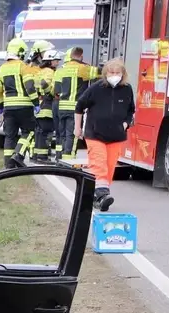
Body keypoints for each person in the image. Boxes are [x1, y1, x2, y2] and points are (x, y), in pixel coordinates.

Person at [75, 58, 135, 212]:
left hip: (116, 135)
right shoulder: (96, 88)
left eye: (117, 72)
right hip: (95, 134)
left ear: (123, 74)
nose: (114, 75)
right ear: (105, 73)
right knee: (99, 163)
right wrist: (77, 128)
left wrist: (126, 123)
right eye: (111, 72)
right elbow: (79, 106)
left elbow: (131, 110)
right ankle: (102, 194)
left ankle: (99, 196)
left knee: (109, 167)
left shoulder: (127, 89)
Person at [0, 38, 38, 169]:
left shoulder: (2, 68)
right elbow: (29, 86)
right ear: (20, 52)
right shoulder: (23, 66)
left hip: (8, 108)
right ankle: (18, 155)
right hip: (24, 106)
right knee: (30, 132)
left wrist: (0, 108)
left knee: (10, 136)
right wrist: (36, 103)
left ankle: (9, 165)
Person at [53, 46, 99, 161]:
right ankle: (68, 160)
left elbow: (56, 91)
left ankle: (59, 158)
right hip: (75, 108)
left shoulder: (60, 70)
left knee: (62, 134)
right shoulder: (84, 69)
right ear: (81, 56)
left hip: (61, 107)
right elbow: (101, 73)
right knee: (73, 135)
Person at [32, 48, 59, 164]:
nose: (58, 62)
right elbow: (46, 84)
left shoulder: (40, 71)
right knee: (46, 132)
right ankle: (42, 157)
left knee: (39, 131)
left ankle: (36, 155)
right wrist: (52, 93)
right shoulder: (49, 72)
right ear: (50, 61)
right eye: (56, 60)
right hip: (47, 104)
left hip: (38, 103)